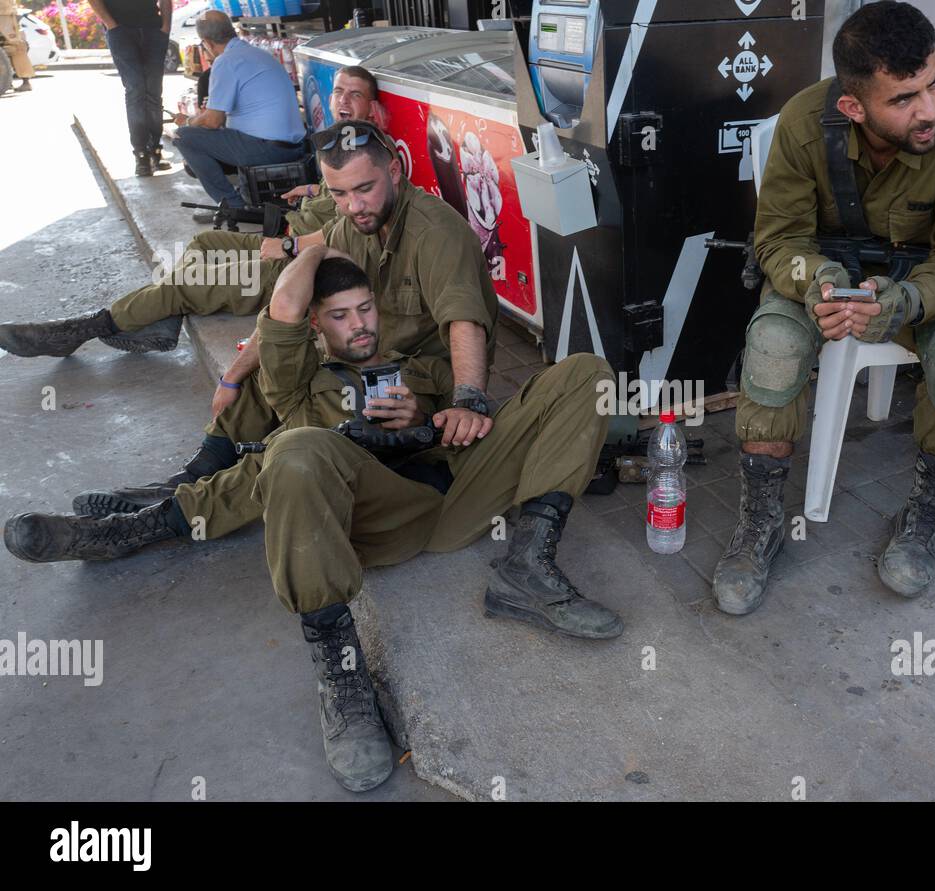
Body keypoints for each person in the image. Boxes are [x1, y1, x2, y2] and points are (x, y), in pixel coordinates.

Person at [4, 248, 623, 792]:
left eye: (365, 309)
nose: (360, 324)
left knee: (584, 373)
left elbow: (466, 415)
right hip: (362, 517)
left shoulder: (419, 367)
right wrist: (320, 243)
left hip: (451, 494)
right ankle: (340, 672)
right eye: (340, 315)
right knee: (294, 450)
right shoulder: (299, 380)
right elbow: (283, 306)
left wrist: (437, 417)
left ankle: (527, 564)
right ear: (316, 326)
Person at [712, 0, 935, 614]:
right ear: (852, 107)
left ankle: (926, 514)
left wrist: (908, 300)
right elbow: (778, 239)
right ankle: (760, 521)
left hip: (928, 279)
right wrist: (817, 280)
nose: (930, 110)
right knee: (773, 346)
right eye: (903, 99)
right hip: (823, 273)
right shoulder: (803, 122)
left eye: (934, 83)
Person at [71, 118, 501, 523]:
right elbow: (287, 308)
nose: (353, 206)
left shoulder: (435, 232)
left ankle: (177, 513)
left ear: (394, 171)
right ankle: (191, 475)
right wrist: (233, 376)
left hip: (421, 384)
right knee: (268, 365)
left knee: (311, 431)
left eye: (364, 189)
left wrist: (467, 403)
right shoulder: (353, 225)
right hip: (371, 360)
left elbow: (464, 321)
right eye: (338, 194)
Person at [0, 66, 383, 363]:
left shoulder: (373, 154)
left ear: (373, 108)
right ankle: (166, 318)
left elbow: (354, 228)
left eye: (356, 94)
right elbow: (340, 198)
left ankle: (82, 330)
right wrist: (315, 190)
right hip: (288, 240)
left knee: (186, 282)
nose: (344, 100)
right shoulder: (341, 141)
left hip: (301, 266)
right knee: (205, 242)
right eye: (339, 91)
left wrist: (288, 246)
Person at [171, 10, 307, 215]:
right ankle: (240, 195)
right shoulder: (259, 54)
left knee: (184, 137)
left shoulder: (225, 61)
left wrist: (188, 122)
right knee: (213, 134)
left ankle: (232, 205)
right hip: (295, 146)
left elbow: (213, 121)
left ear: (207, 43)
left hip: (267, 150)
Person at [88, 0, 171, 175]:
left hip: (153, 29)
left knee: (154, 91)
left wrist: (166, 27)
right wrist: (111, 25)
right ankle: (141, 154)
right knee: (136, 89)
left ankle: (155, 150)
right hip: (121, 31)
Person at [0, 0, 35, 93]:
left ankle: (26, 82)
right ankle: (8, 82)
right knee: (6, 50)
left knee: (15, 48)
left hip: (4, 14)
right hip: (6, 13)